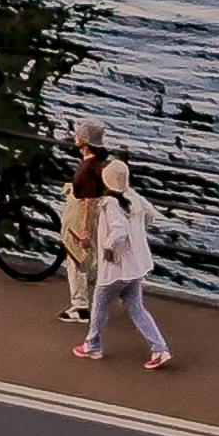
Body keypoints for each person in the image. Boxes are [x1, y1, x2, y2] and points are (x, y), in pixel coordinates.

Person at [76, 154, 173, 368]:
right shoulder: (133, 197)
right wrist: (138, 232)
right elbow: (151, 215)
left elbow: (119, 231)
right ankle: (160, 348)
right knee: (136, 306)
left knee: (99, 306)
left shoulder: (110, 204)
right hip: (136, 266)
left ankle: (93, 345)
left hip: (116, 268)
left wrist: (108, 247)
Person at [59, 121, 109, 326]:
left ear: (85, 142)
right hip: (91, 213)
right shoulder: (97, 164)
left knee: (76, 259)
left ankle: (80, 307)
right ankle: (97, 298)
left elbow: (87, 201)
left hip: (80, 217)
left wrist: (84, 229)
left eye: (78, 135)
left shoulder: (87, 168)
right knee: (90, 259)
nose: (75, 137)